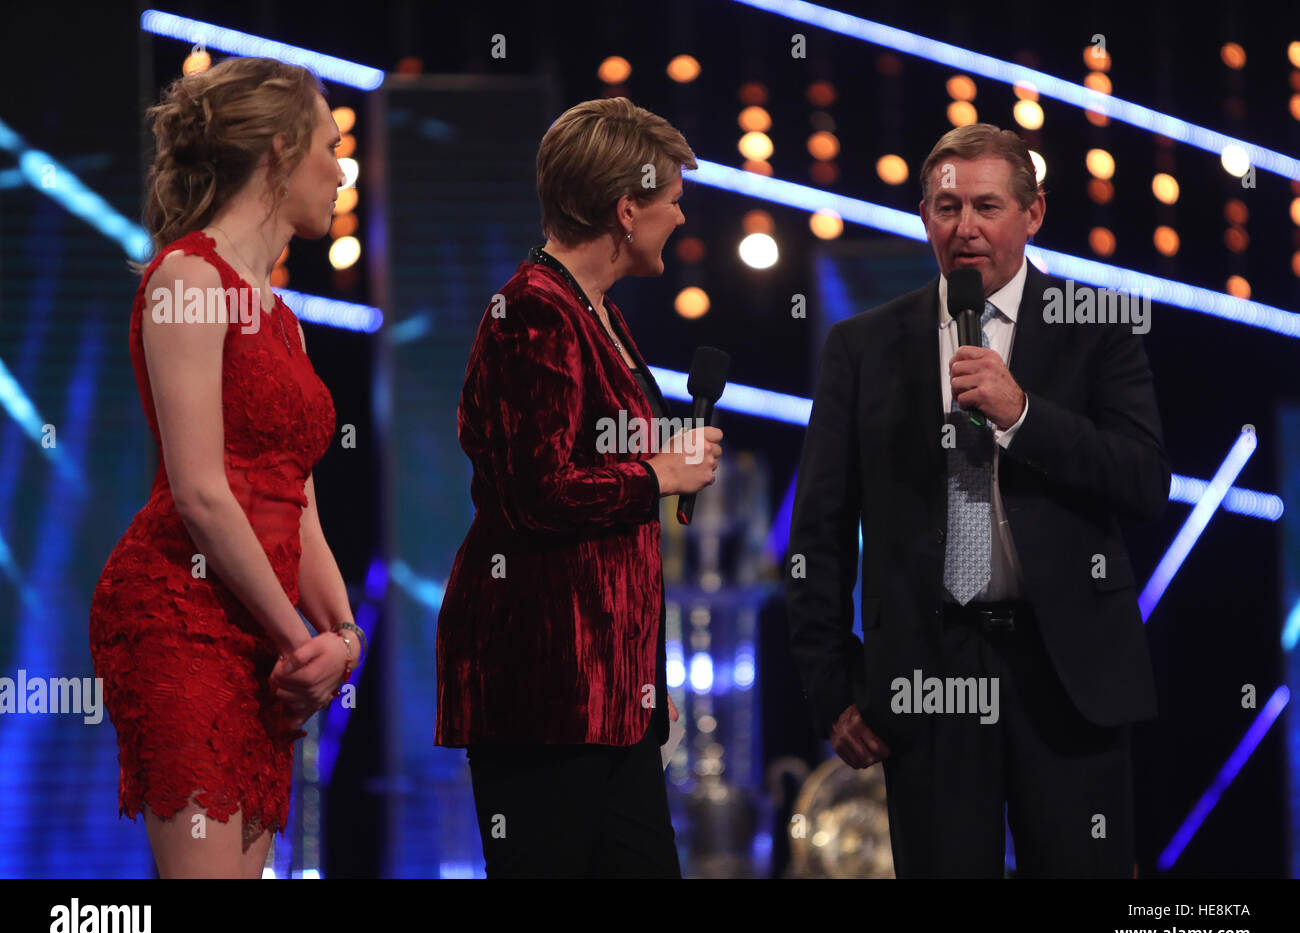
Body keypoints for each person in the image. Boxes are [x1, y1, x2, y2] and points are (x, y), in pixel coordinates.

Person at [785, 123, 1169, 877]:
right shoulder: (862, 346)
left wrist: (1024, 413)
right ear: (925, 216)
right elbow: (819, 531)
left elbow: (1144, 481)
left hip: (1068, 675)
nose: (965, 228)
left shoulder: (1099, 329)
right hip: (928, 674)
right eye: (946, 207)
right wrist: (833, 689)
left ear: (1034, 214)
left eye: (987, 206)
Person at [89, 57, 364, 878]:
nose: (341, 170)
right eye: (329, 145)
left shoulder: (284, 321)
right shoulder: (187, 278)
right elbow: (203, 494)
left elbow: (297, 502)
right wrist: (299, 641)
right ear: (279, 152)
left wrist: (342, 637)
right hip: (183, 613)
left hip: (262, 633)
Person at [435, 97, 721, 877]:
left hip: (612, 698)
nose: (679, 218)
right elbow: (537, 491)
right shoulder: (534, 310)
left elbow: (587, 453)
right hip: (547, 690)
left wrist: (662, 452)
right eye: (671, 203)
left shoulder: (594, 311)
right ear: (626, 210)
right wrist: (657, 473)